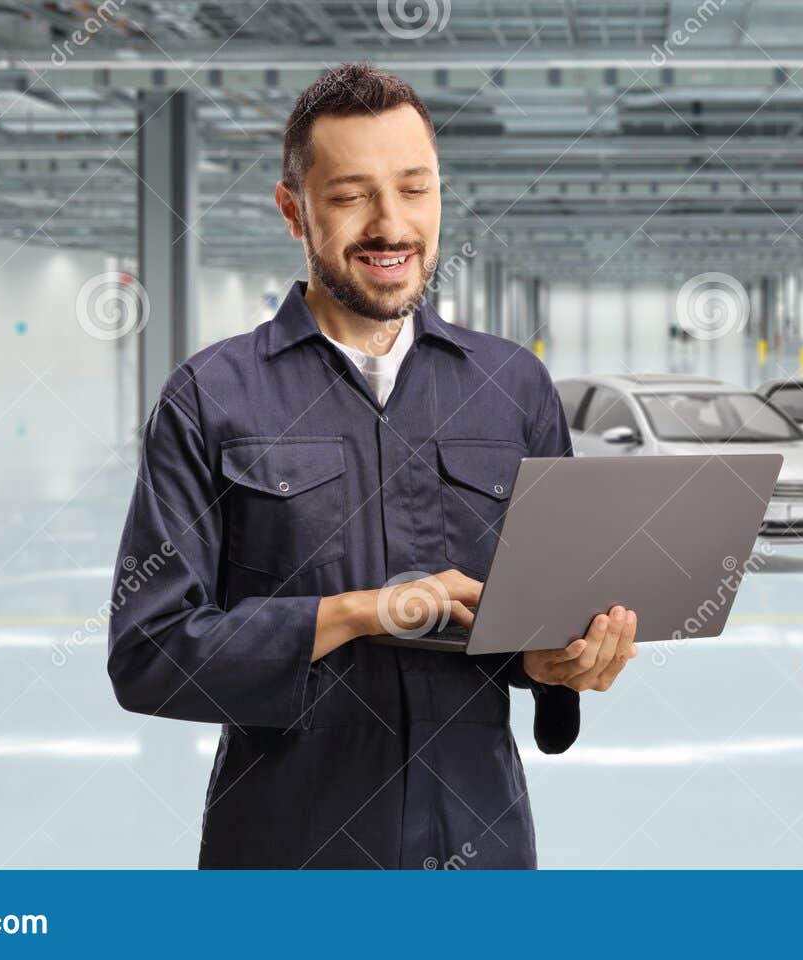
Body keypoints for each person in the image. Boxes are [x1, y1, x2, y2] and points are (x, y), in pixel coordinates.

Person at [107, 63, 638, 869]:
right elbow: (150, 654)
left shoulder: (512, 386)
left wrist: (559, 663)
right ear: (294, 209)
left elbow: (536, 626)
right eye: (352, 196)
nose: (391, 225)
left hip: (478, 843)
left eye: (415, 189)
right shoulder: (211, 398)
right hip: (287, 855)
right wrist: (363, 613)